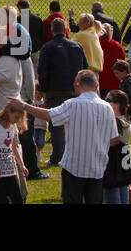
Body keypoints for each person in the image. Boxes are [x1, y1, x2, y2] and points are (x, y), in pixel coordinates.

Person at [14, 70, 118, 204]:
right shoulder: (107, 108)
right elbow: (113, 138)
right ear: (96, 86)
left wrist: (23, 105)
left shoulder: (72, 104)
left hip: (74, 167)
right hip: (97, 168)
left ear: (78, 85)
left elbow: (49, 115)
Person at [37, 19, 87, 165]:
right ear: (65, 29)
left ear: (52, 30)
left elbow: (42, 72)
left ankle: (58, 156)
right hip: (75, 90)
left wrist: (45, 90)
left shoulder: (47, 48)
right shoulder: (76, 46)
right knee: (75, 125)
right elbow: (85, 66)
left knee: (57, 125)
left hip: (55, 91)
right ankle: (76, 155)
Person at [0, 102, 27, 204]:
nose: (16, 120)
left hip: (10, 169)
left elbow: (13, 147)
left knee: (17, 198)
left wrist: (22, 165)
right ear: (9, 112)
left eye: (19, 118)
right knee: (1, 199)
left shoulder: (13, 127)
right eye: (16, 117)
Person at [103, 89, 131, 204]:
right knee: (123, 197)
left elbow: (110, 142)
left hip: (113, 163)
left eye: (107, 100)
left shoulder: (115, 122)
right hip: (124, 163)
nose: (104, 102)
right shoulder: (126, 119)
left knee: (113, 196)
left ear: (116, 104)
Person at [96, 24, 125, 95]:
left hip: (99, 79)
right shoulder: (116, 45)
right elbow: (122, 60)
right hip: (113, 79)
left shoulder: (96, 44)